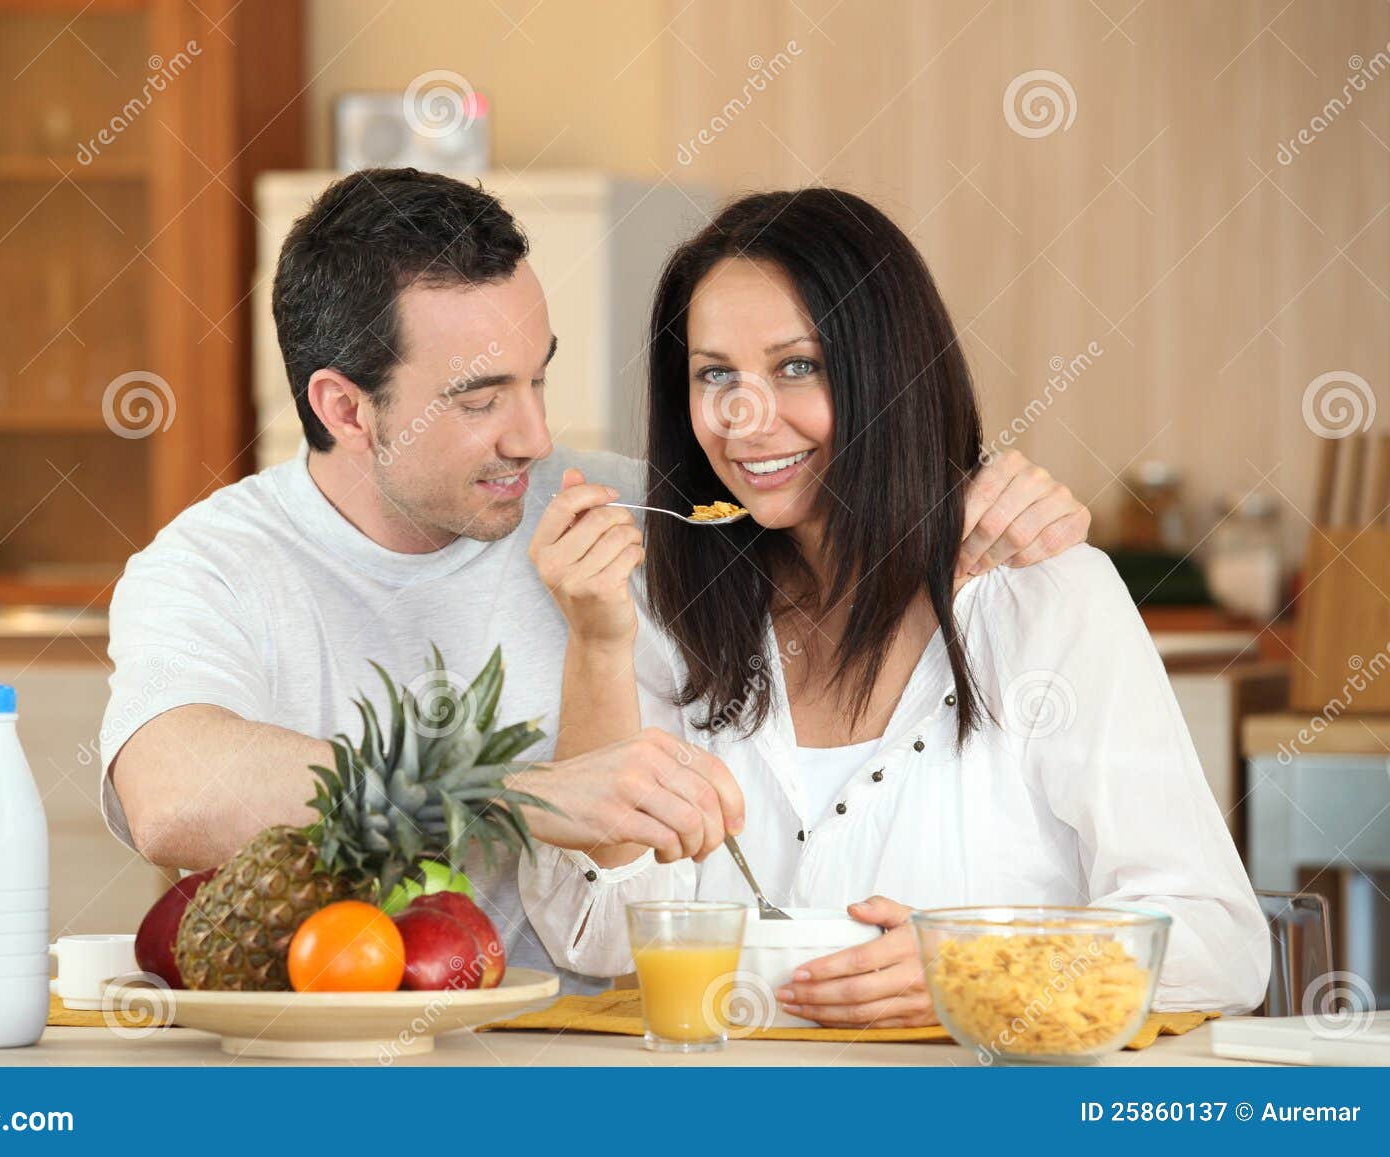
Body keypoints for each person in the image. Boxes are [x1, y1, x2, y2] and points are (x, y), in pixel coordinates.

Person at [98, 169, 1092, 993]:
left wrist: (1003, 503)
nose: (533, 434)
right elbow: (170, 793)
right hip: (337, 1067)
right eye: (482, 398)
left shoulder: (625, 509)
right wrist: (519, 795)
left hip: (596, 1058)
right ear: (346, 408)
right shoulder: (217, 562)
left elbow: (842, 505)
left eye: (540, 377)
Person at [522, 187, 1269, 1019]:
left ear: (889, 370)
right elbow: (601, 939)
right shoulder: (670, 610)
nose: (743, 418)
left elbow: (1221, 947)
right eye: (714, 374)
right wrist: (595, 641)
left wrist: (986, 969)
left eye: (796, 365)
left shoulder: (1048, 597)